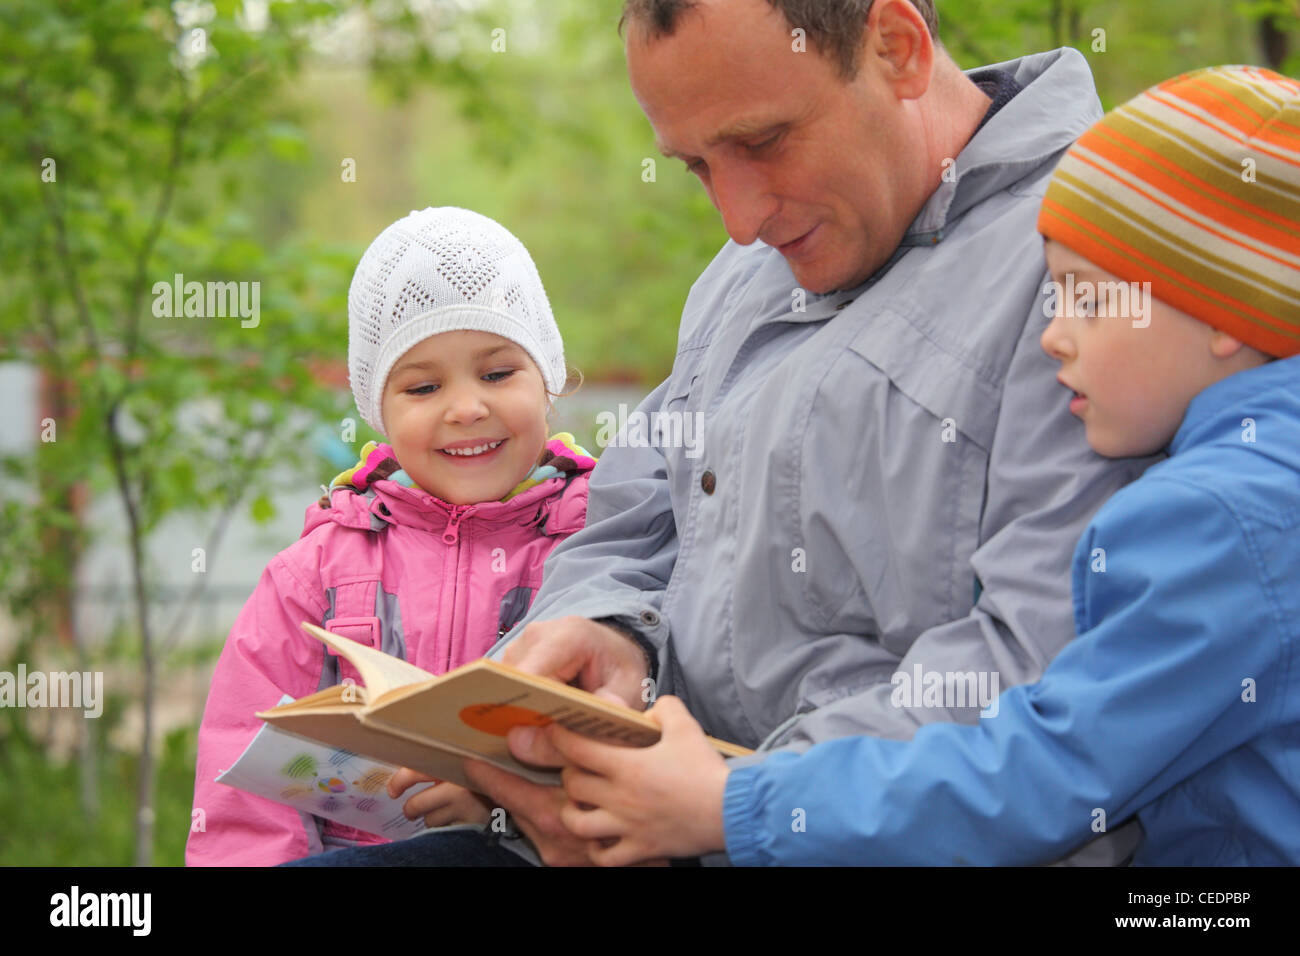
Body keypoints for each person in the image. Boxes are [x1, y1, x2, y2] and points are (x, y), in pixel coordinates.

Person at [288, 0, 1159, 867]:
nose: (739, 220)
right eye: (698, 166)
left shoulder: (1092, 268)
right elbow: (628, 521)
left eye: (762, 141)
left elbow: (1052, 679)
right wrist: (609, 635)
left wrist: (729, 808)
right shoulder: (746, 274)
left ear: (896, 48)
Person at [541, 65, 1300, 866]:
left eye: (1086, 297)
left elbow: (1049, 768)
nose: (1054, 334)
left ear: (1223, 311)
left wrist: (737, 809)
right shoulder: (1254, 480)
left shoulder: (1226, 518)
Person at [186, 207, 596, 866]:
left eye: (497, 373)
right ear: (380, 410)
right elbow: (244, 788)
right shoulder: (315, 572)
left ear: (548, 378)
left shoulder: (599, 550)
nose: (465, 407)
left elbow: (640, 744)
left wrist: (505, 809)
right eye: (424, 385)